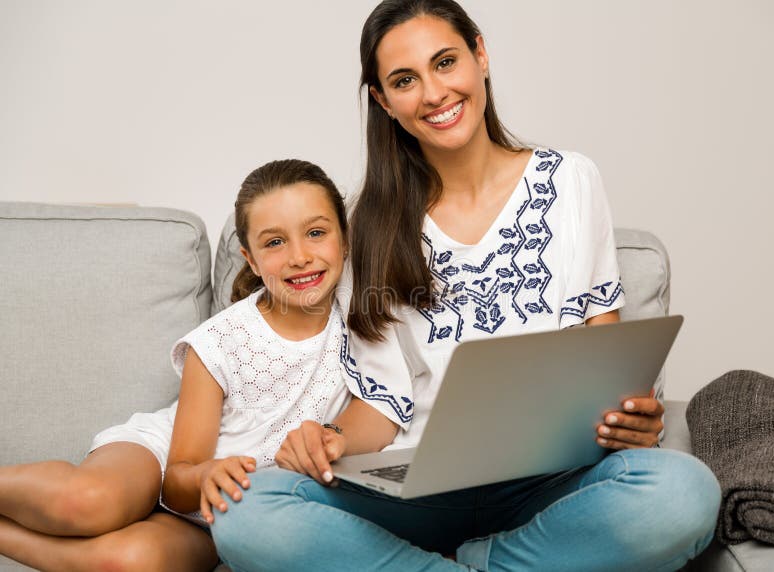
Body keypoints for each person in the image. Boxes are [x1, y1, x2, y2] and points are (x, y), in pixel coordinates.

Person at [210, 2, 722, 571]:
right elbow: (381, 404)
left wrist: (632, 416)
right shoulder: (368, 222)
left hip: (551, 483)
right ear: (383, 100)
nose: (434, 94)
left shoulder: (571, 181)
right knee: (247, 510)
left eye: (445, 62)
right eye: (405, 80)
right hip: (414, 488)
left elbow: (606, 358)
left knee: (684, 492)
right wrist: (332, 439)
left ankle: (480, 561)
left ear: (480, 55)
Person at [0, 159, 353, 571]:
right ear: (252, 260)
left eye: (316, 233)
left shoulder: (366, 323)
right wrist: (205, 475)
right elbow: (178, 478)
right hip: (165, 462)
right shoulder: (222, 340)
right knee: (89, 502)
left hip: (231, 512)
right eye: (275, 242)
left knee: (132, 563)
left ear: (345, 239)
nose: (300, 256)